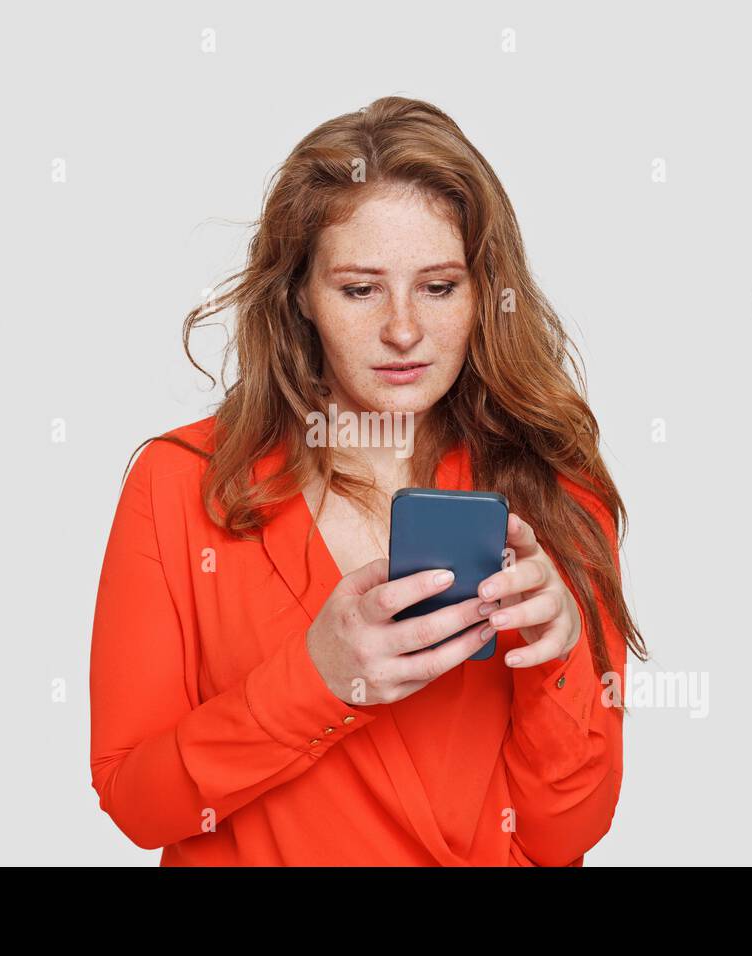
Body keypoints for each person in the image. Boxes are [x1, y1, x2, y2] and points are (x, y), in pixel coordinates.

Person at [89, 95, 647, 866]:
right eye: (360, 289)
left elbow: (564, 835)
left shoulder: (555, 489)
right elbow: (139, 804)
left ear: (485, 292)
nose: (404, 330)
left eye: (440, 287)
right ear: (299, 298)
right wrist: (315, 682)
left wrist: (558, 660)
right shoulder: (179, 486)